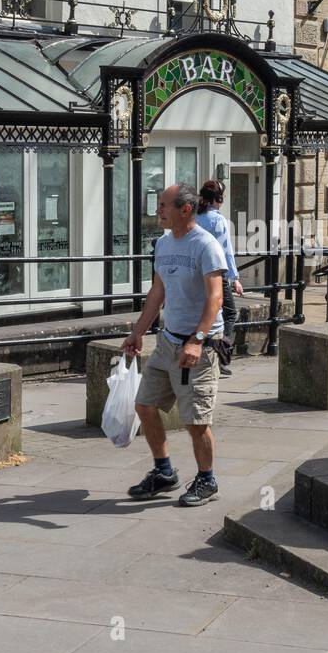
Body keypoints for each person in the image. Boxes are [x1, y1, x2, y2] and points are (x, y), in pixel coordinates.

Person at [123, 183, 228, 507]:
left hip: (200, 348)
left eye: (164, 205)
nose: (159, 211)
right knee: (144, 404)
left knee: (196, 421)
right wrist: (138, 332)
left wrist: (197, 340)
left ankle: (207, 480)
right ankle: (165, 471)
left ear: (185, 209)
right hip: (167, 343)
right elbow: (158, 292)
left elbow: (216, 296)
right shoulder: (164, 244)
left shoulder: (205, 245)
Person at [195, 179, 242, 377]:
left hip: (195, 273)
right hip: (215, 274)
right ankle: (220, 355)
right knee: (230, 313)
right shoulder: (218, 220)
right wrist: (234, 277)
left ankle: (200, 349)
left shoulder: (194, 216)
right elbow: (225, 251)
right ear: (219, 199)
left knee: (201, 312)